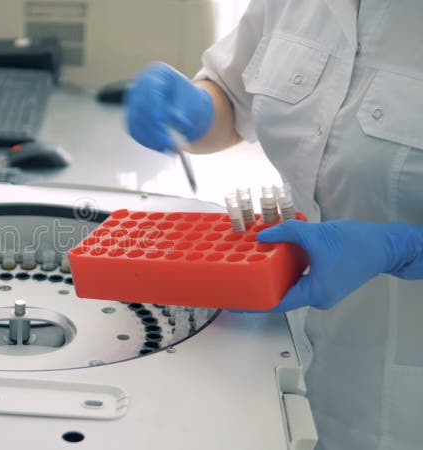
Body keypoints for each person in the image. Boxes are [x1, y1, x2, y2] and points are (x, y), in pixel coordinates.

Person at [124, 1, 423, 449]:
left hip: (401, 406)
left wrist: (402, 247)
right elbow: (233, 95)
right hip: (281, 358)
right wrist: (198, 107)